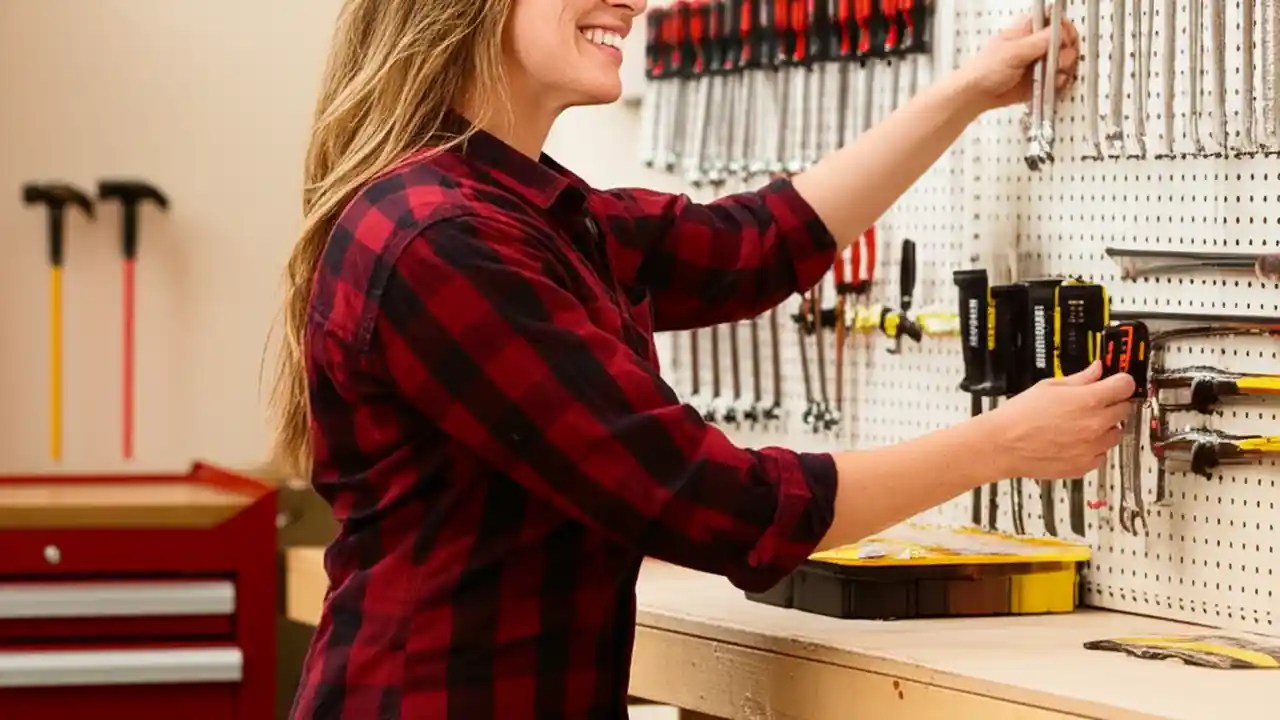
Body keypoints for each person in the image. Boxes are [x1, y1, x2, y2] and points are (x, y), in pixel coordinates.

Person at [273, 1, 1134, 717]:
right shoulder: (448, 240)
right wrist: (1002, 444)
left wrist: (967, 92)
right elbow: (711, 502)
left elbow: (754, 246)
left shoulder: (526, 211)